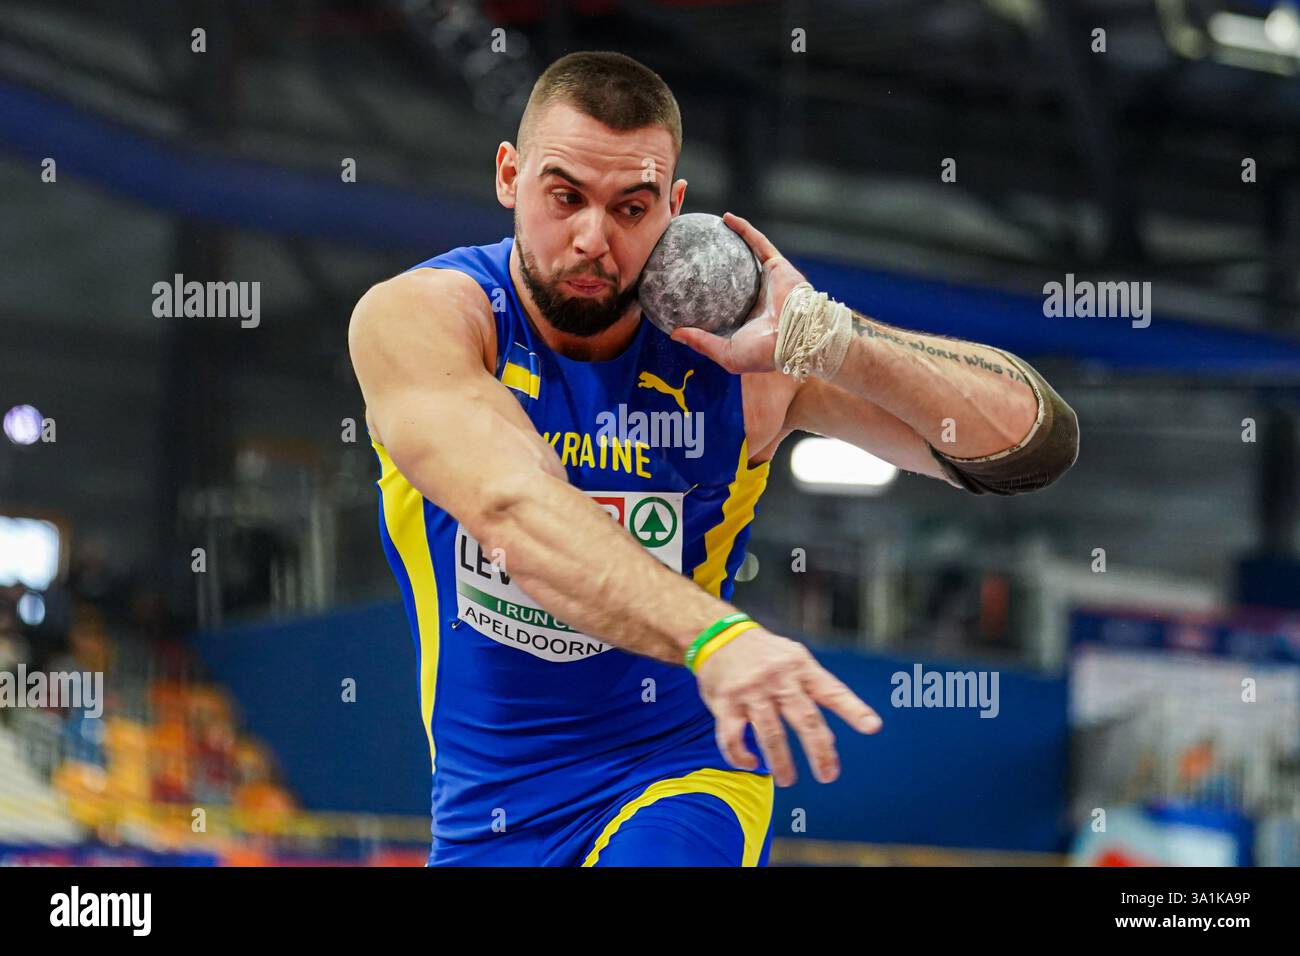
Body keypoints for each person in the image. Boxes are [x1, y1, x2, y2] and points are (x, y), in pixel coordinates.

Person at [348, 50, 1078, 866]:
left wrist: (833, 341)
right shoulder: (428, 320)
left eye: (632, 207)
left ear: (674, 207)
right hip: (487, 816)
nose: (594, 239)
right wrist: (717, 639)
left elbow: (1029, 447)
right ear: (508, 176)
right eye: (565, 197)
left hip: (679, 775)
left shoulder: (736, 362)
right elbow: (512, 508)